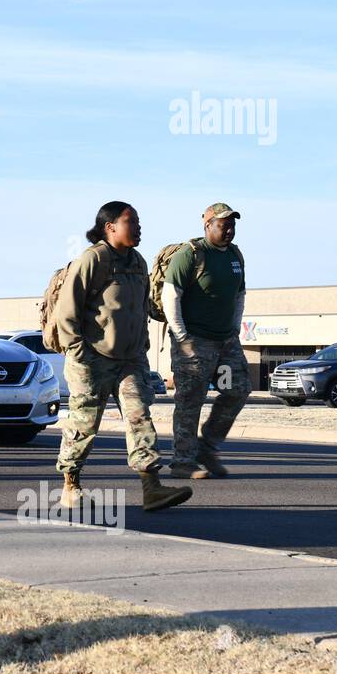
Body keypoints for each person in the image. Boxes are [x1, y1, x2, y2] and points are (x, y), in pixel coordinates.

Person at [55, 202, 191, 511]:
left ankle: (151, 487)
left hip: (130, 359)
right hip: (92, 358)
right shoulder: (92, 259)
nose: (139, 227)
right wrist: (79, 352)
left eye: (139, 222)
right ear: (110, 227)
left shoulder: (138, 262)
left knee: (139, 416)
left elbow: (142, 307)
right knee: (84, 422)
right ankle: (70, 485)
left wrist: (142, 347)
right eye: (132, 221)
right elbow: (67, 313)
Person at [163, 203, 248, 479]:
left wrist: (234, 329)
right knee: (191, 400)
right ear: (207, 225)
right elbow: (170, 296)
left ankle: (207, 447)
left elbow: (239, 295)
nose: (229, 230)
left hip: (226, 341)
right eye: (223, 225)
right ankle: (182, 462)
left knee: (237, 389)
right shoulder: (190, 254)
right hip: (194, 341)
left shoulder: (235, 255)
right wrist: (182, 336)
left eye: (232, 225)